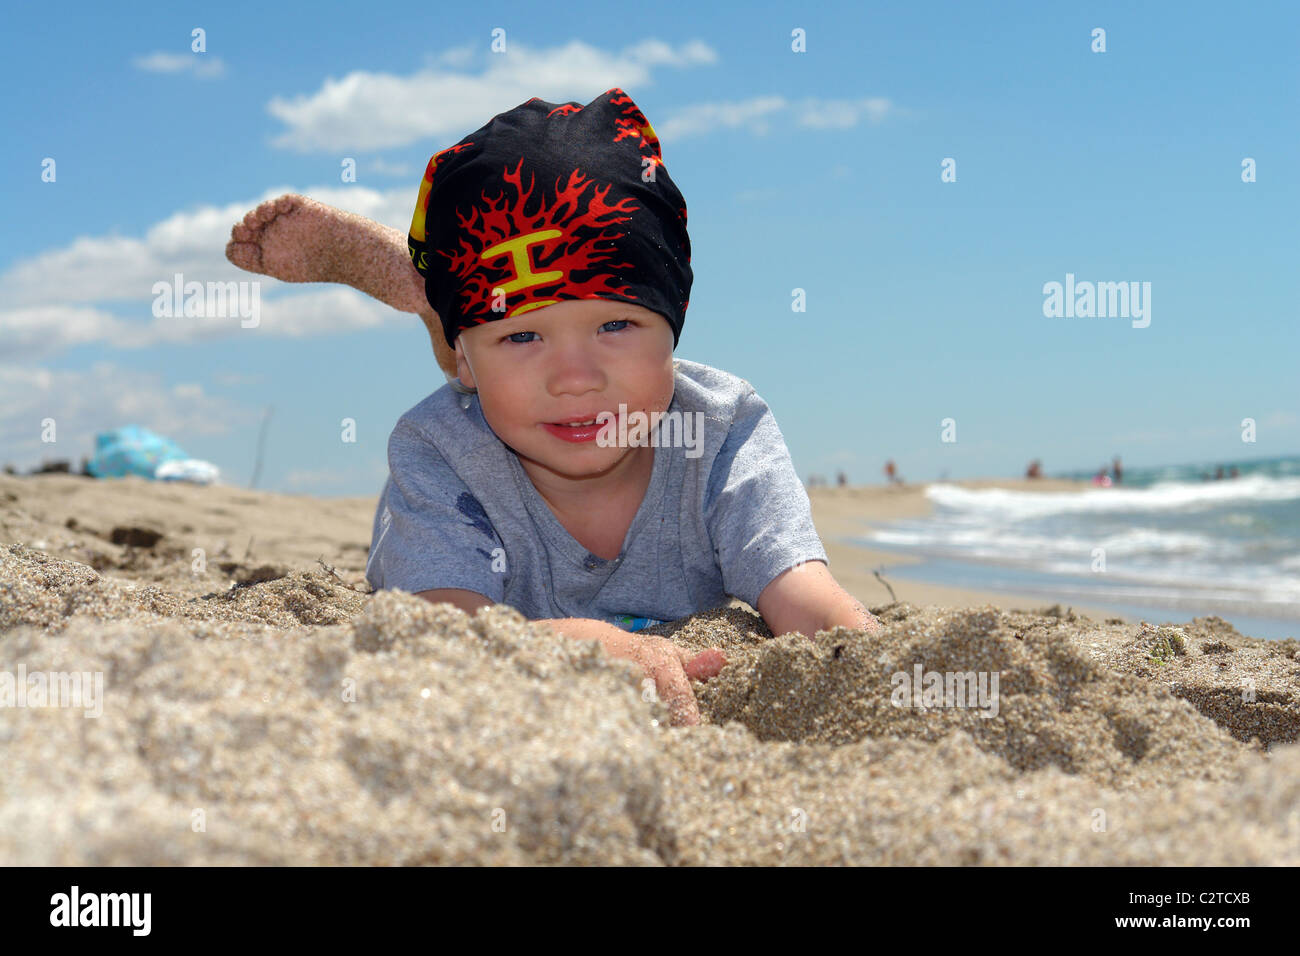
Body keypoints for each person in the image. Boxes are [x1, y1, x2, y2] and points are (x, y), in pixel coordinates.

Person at [227, 89, 878, 726]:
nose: (575, 378)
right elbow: (443, 629)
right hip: (467, 413)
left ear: (673, 326)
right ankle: (446, 307)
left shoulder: (722, 429)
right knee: (484, 382)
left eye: (616, 325)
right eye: (525, 335)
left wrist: (881, 665)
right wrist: (594, 646)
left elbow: (805, 596)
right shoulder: (439, 452)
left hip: (480, 340)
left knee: (506, 363)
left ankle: (454, 303)